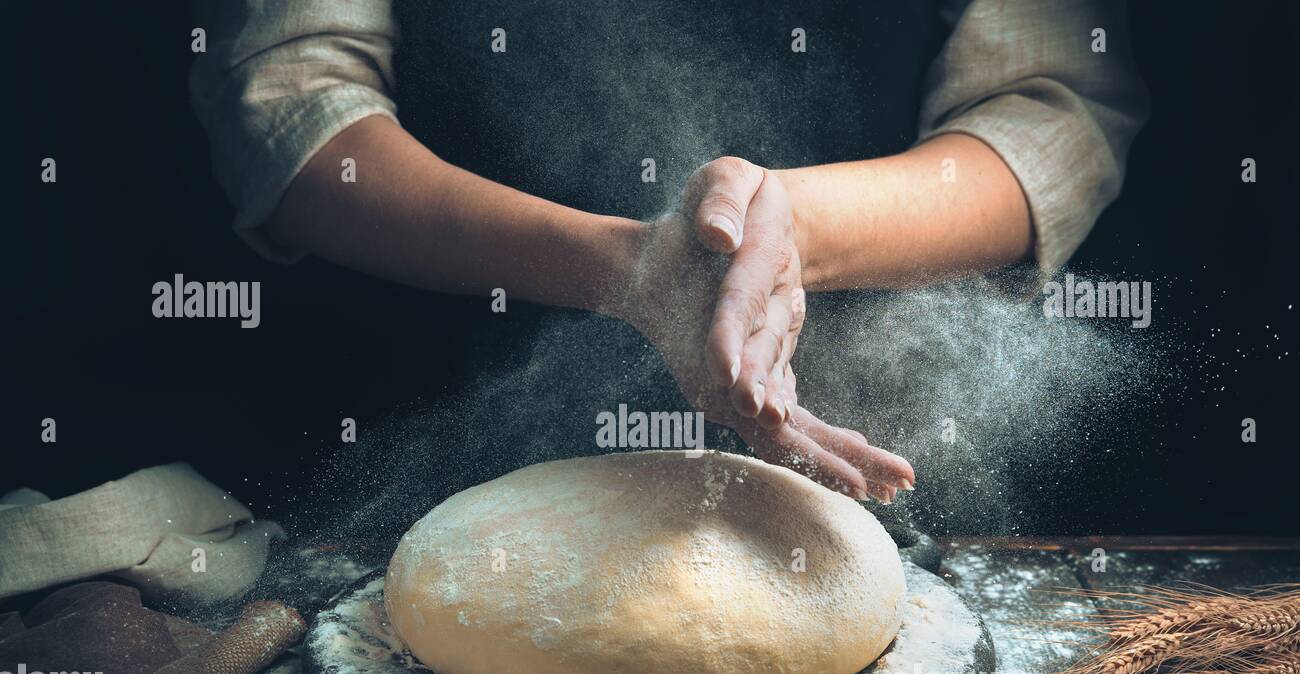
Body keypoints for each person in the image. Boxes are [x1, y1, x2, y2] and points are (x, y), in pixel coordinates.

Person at [191, 0, 1147, 502]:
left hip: (841, 470)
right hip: (432, 447)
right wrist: (628, 267)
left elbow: (1047, 109)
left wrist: (792, 228)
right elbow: (293, 109)